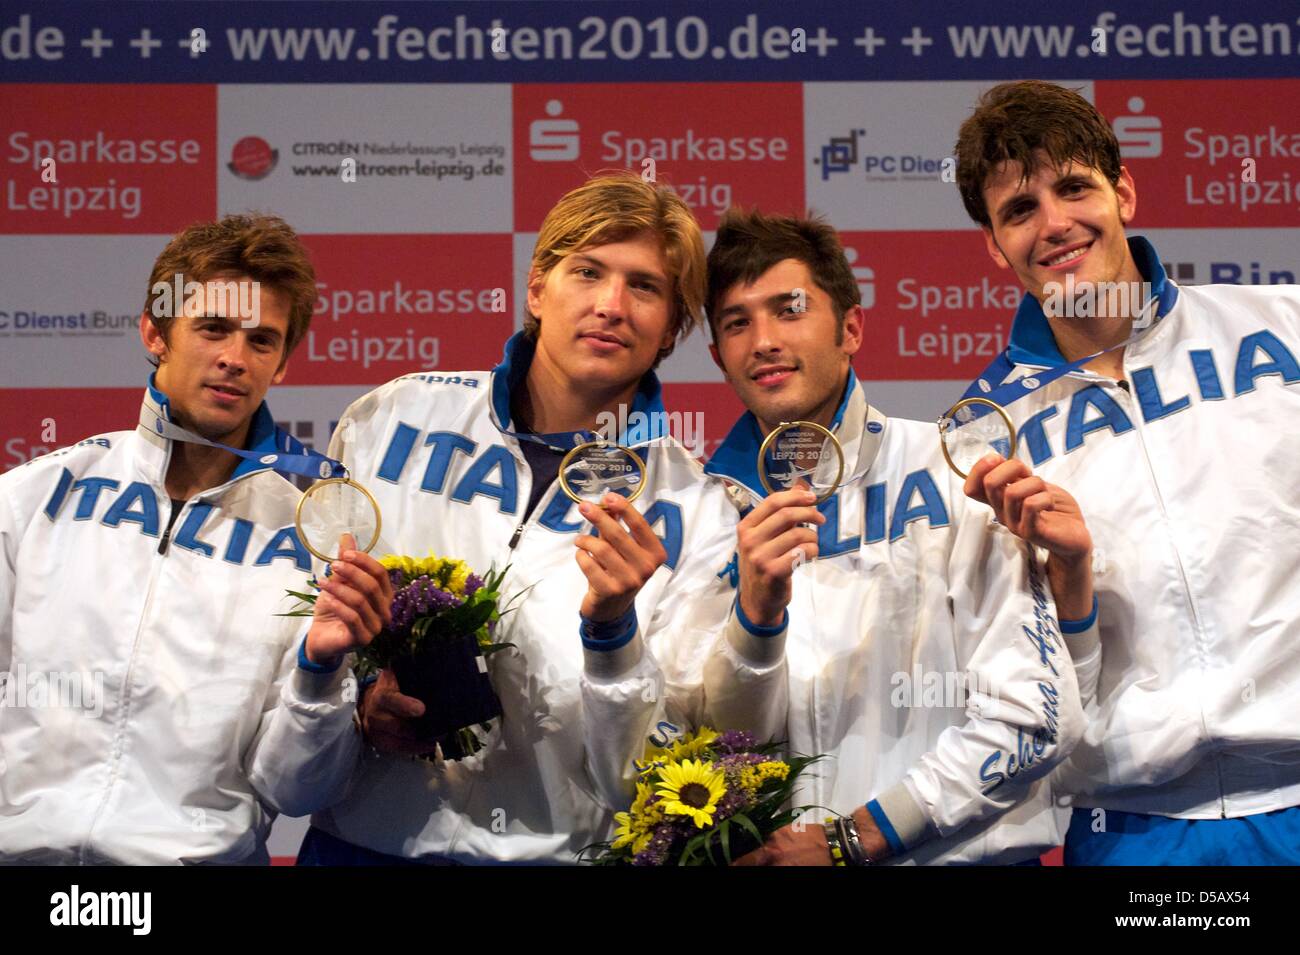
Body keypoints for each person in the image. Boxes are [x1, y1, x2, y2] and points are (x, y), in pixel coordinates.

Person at [297, 173, 739, 865]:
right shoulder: (392, 419)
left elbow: (652, 779)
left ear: (672, 329)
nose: (611, 305)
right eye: (587, 272)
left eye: (645, 287)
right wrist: (357, 705)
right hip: (361, 847)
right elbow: (303, 636)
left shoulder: (698, 509)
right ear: (537, 288)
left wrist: (613, 632)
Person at [953, 79, 1300, 865]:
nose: (1055, 224)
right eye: (1019, 210)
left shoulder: (1285, 330)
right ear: (993, 244)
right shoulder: (980, 439)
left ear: (1125, 191)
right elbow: (1024, 684)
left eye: (1073, 187)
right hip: (1131, 831)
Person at [694, 209, 1099, 865]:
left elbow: (1037, 717)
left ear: (851, 327)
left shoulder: (957, 473)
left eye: (789, 310)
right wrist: (754, 618)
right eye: (738, 322)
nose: (763, 340)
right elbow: (694, 744)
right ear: (718, 356)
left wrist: (852, 839)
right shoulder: (699, 514)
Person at [0, 213, 389, 864]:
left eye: (262, 341)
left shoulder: (312, 542)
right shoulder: (35, 496)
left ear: (282, 365)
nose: (235, 358)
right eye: (213, 328)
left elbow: (296, 789)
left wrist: (320, 674)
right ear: (156, 331)